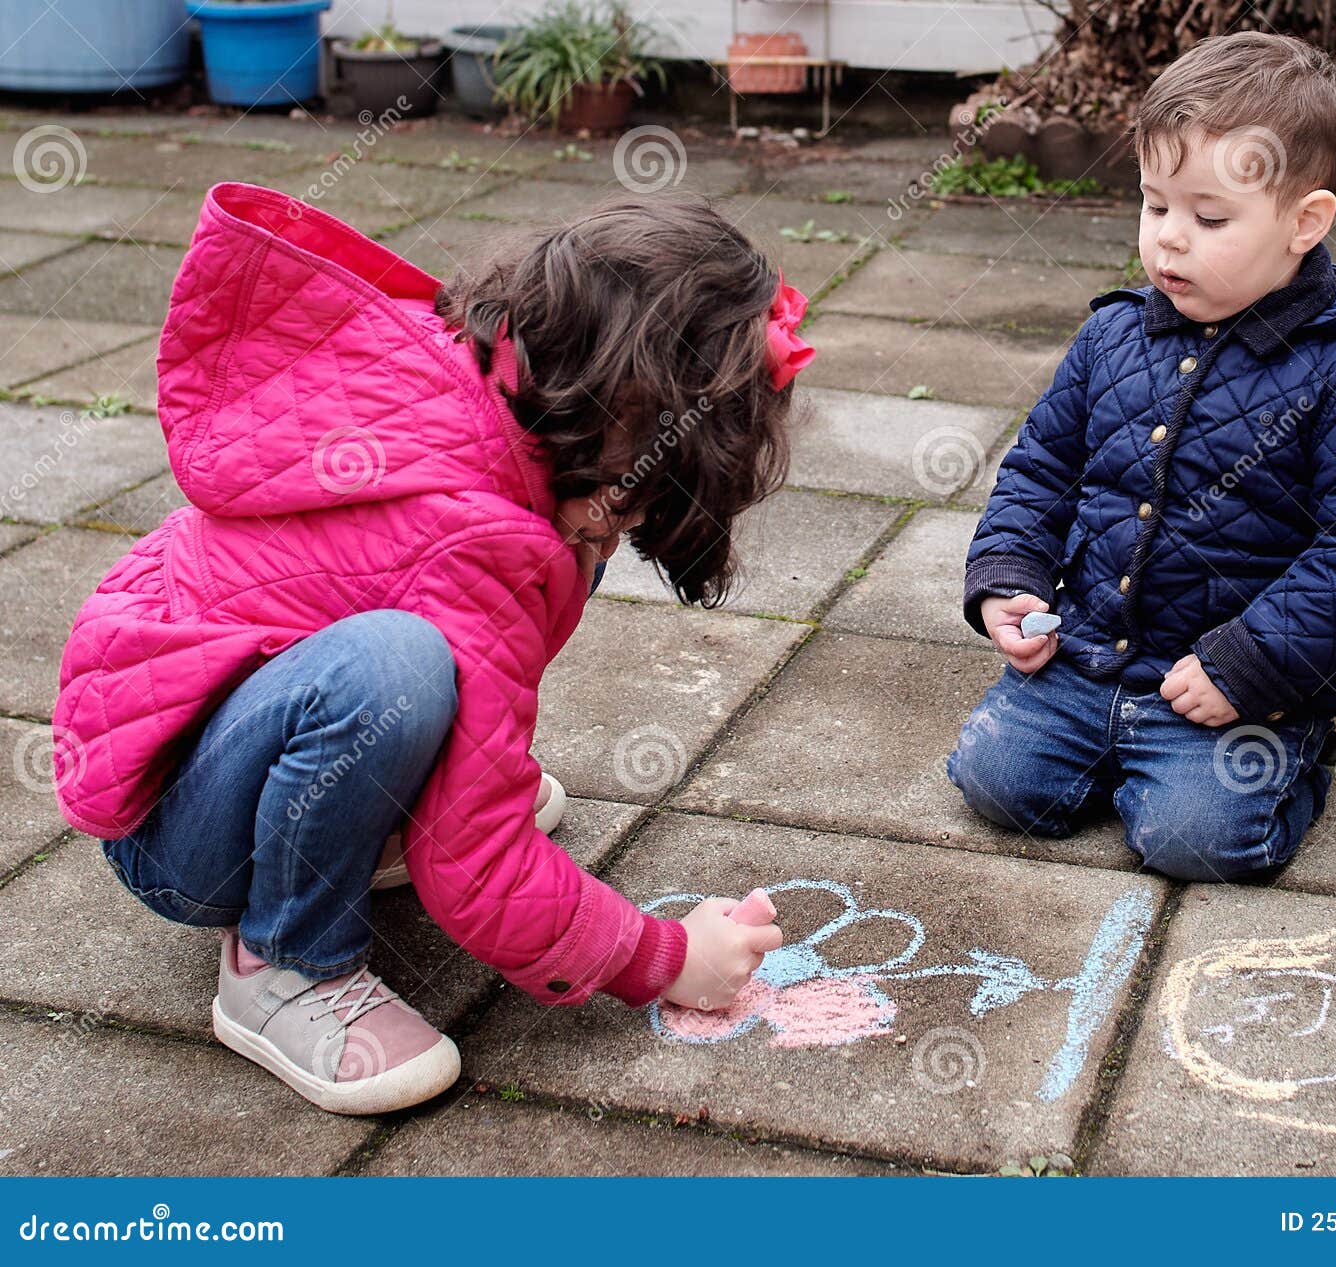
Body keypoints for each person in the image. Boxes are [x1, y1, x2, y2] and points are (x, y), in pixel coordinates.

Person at [53, 183, 813, 1114]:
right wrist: (665, 957)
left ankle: (373, 808)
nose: (636, 519)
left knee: (523, 579)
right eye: (654, 480)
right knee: (397, 670)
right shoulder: (476, 531)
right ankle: (284, 962)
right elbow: (478, 864)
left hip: (215, 721)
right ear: (627, 413)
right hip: (177, 833)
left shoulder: (494, 393)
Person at [948, 32, 1336, 882]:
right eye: (1154, 204)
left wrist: (1253, 666)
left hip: (1241, 684)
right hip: (1091, 651)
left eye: (1209, 219)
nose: (1170, 240)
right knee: (996, 780)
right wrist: (1010, 573)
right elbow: (1042, 467)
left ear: (1304, 225)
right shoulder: (1112, 336)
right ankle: (1125, 758)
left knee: (1195, 839)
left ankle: (1301, 753)